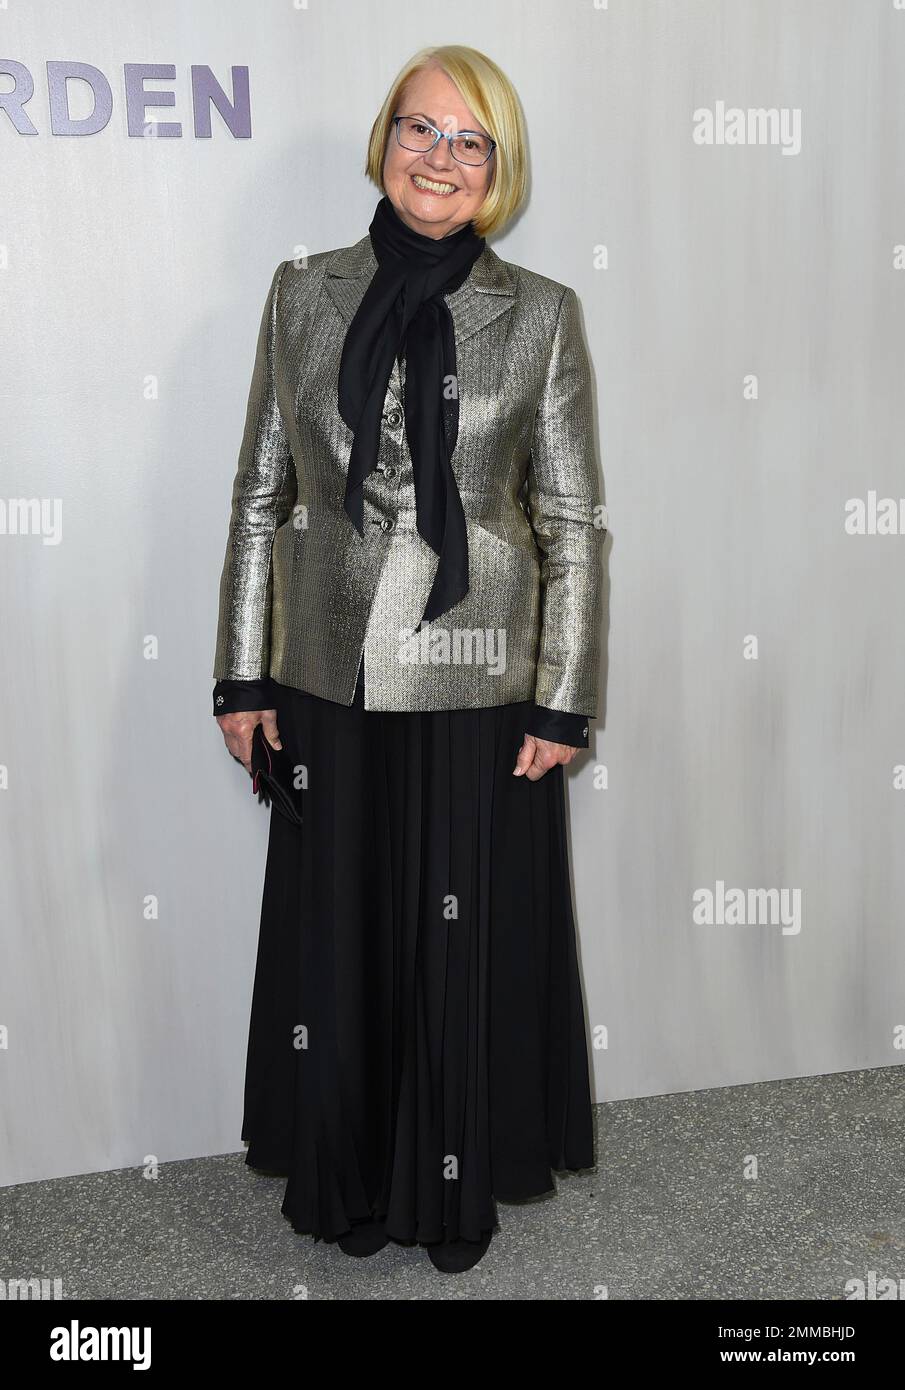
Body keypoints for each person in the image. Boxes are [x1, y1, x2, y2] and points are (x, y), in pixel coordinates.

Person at [212, 43, 605, 1276]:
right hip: (328, 674)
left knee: (457, 938)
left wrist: (566, 695)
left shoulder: (539, 313)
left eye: (467, 140)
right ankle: (348, 1181)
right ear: (382, 142)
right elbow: (259, 495)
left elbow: (571, 521)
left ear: (498, 173)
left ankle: (448, 1192)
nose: (438, 157)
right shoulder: (299, 292)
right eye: (418, 129)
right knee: (342, 937)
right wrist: (240, 674)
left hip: (483, 684)